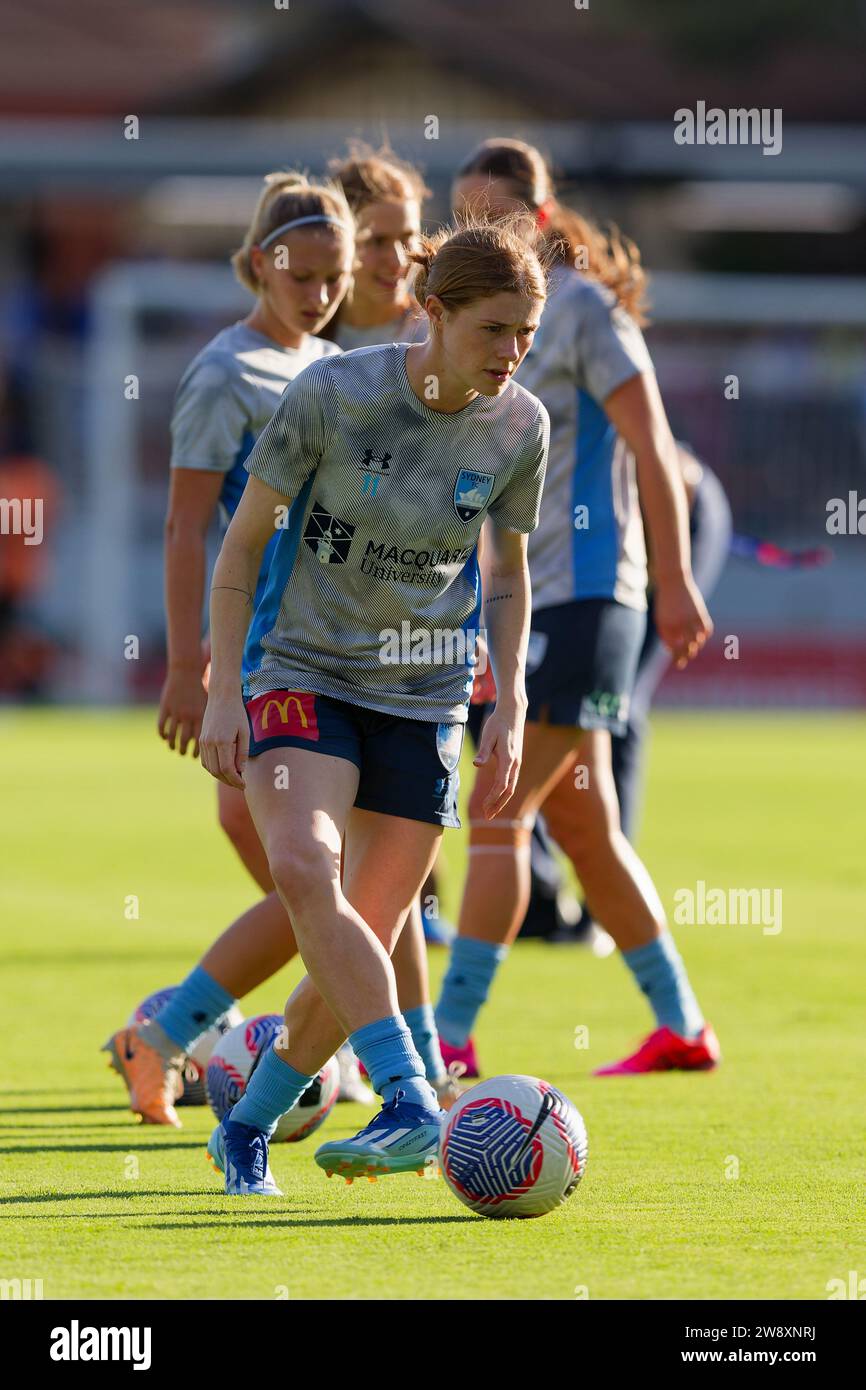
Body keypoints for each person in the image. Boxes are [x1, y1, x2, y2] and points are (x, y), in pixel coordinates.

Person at [199, 217, 550, 1193]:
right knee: (305, 868)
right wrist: (223, 688)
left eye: (525, 333)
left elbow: (509, 576)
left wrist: (507, 700)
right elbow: (238, 551)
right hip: (301, 673)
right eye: (492, 329)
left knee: (350, 926)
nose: (511, 353)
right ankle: (411, 1096)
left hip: (427, 696)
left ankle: (246, 1129)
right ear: (431, 314)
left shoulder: (522, 424)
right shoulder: (332, 394)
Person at [434, 137, 719, 1078]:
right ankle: (681, 1025)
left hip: (590, 597)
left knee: (499, 809)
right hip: (529, 604)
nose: (477, 231)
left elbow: (652, 445)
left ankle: (451, 1034)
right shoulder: (475, 322)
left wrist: (675, 582)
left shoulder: (586, 313)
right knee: (587, 830)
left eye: (497, 215)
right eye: (465, 216)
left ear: (543, 219)